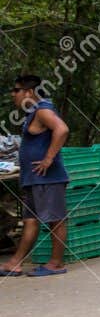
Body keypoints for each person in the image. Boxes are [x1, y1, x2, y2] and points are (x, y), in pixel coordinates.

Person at [4, 74, 70, 276]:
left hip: (48, 179)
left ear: (29, 92)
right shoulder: (34, 112)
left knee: (55, 220)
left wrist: (48, 159)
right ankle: (15, 263)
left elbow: (62, 129)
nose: (13, 94)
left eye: (16, 90)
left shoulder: (42, 110)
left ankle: (55, 263)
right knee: (31, 220)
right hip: (35, 179)